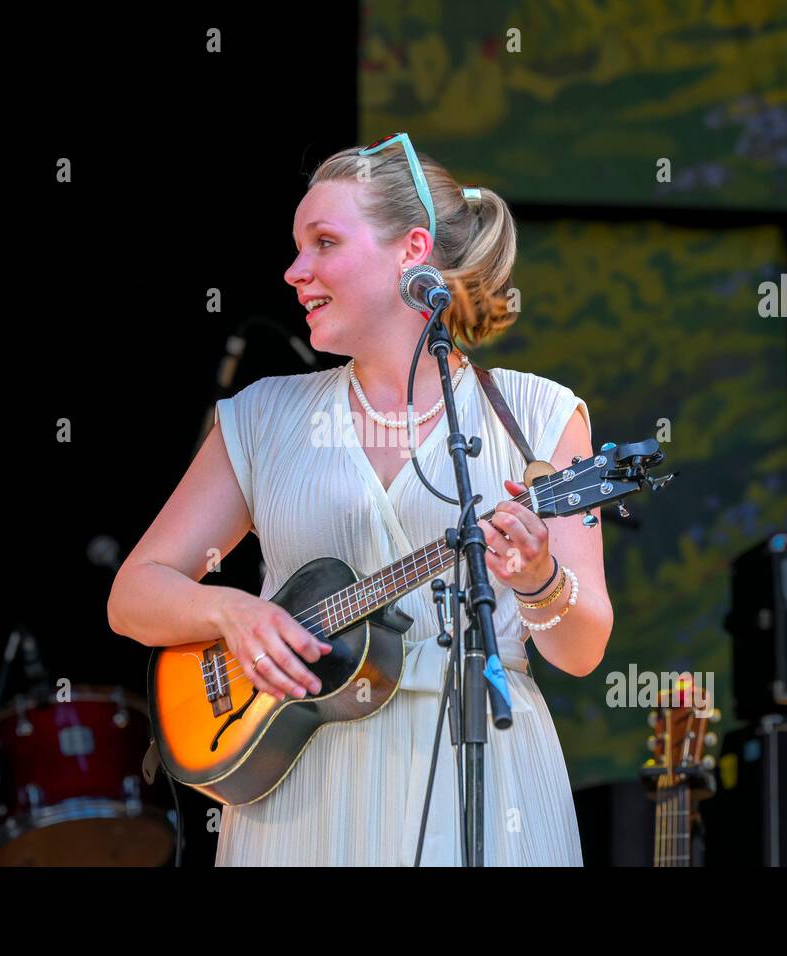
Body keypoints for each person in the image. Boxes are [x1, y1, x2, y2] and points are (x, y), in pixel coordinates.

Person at [107, 133, 612, 865]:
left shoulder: (537, 417)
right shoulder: (262, 417)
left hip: (485, 776)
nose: (294, 271)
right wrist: (234, 613)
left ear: (411, 251)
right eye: (296, 247)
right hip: (298, 788)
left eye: (323, 243)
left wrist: (537, 579)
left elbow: (584, 647)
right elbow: (133, 595)